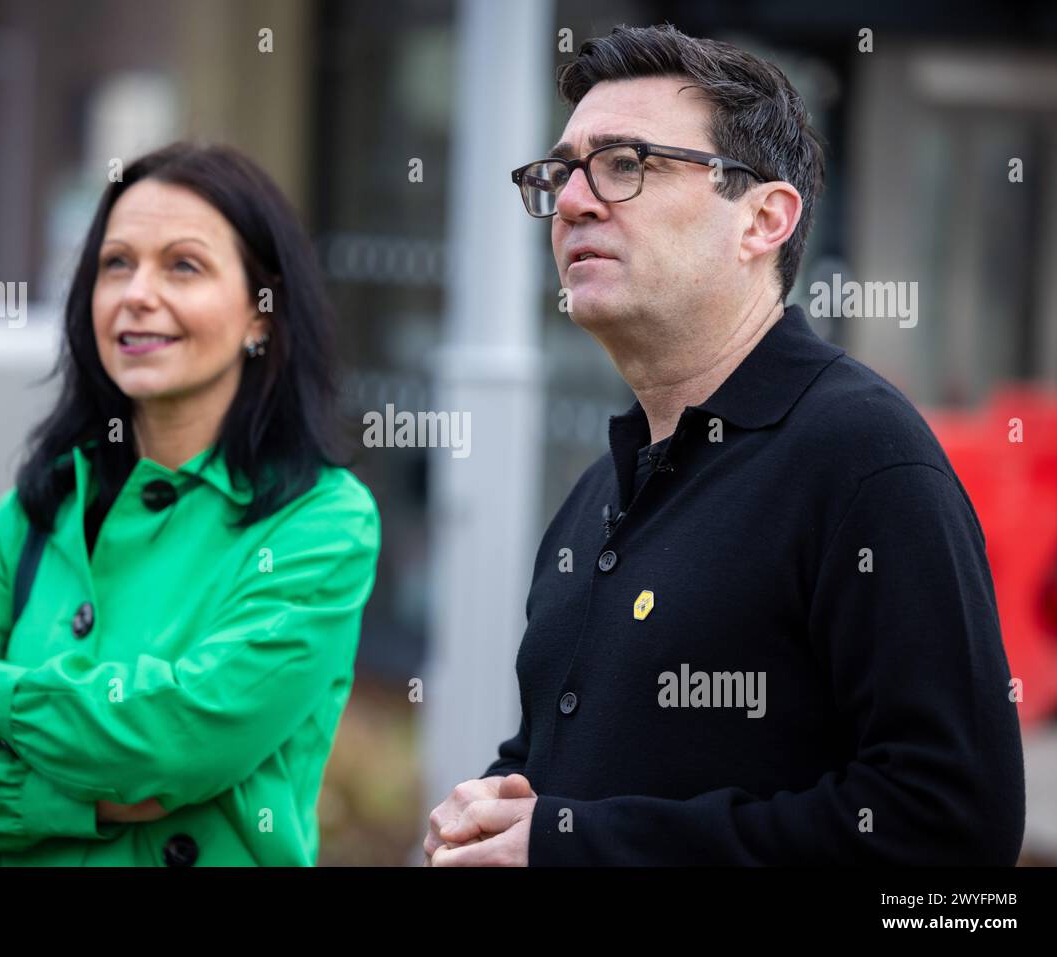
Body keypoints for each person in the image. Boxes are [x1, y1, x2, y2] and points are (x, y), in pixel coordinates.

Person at [425, 23, 1024, 866]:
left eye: (625, 163)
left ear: (763, 219)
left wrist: (581, 844)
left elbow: (950, 825)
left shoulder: (865, 458)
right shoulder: (600, 491)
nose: (571, 201)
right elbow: (571, 775)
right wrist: (495, 805)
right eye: (561, 172)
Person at [0, 142, 381, 866]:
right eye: (117, 263)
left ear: (261, 313)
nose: (138, 292)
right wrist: (75, 800)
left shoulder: (321, 521)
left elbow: (176, 738)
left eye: (183, 265)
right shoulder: (42, 506)